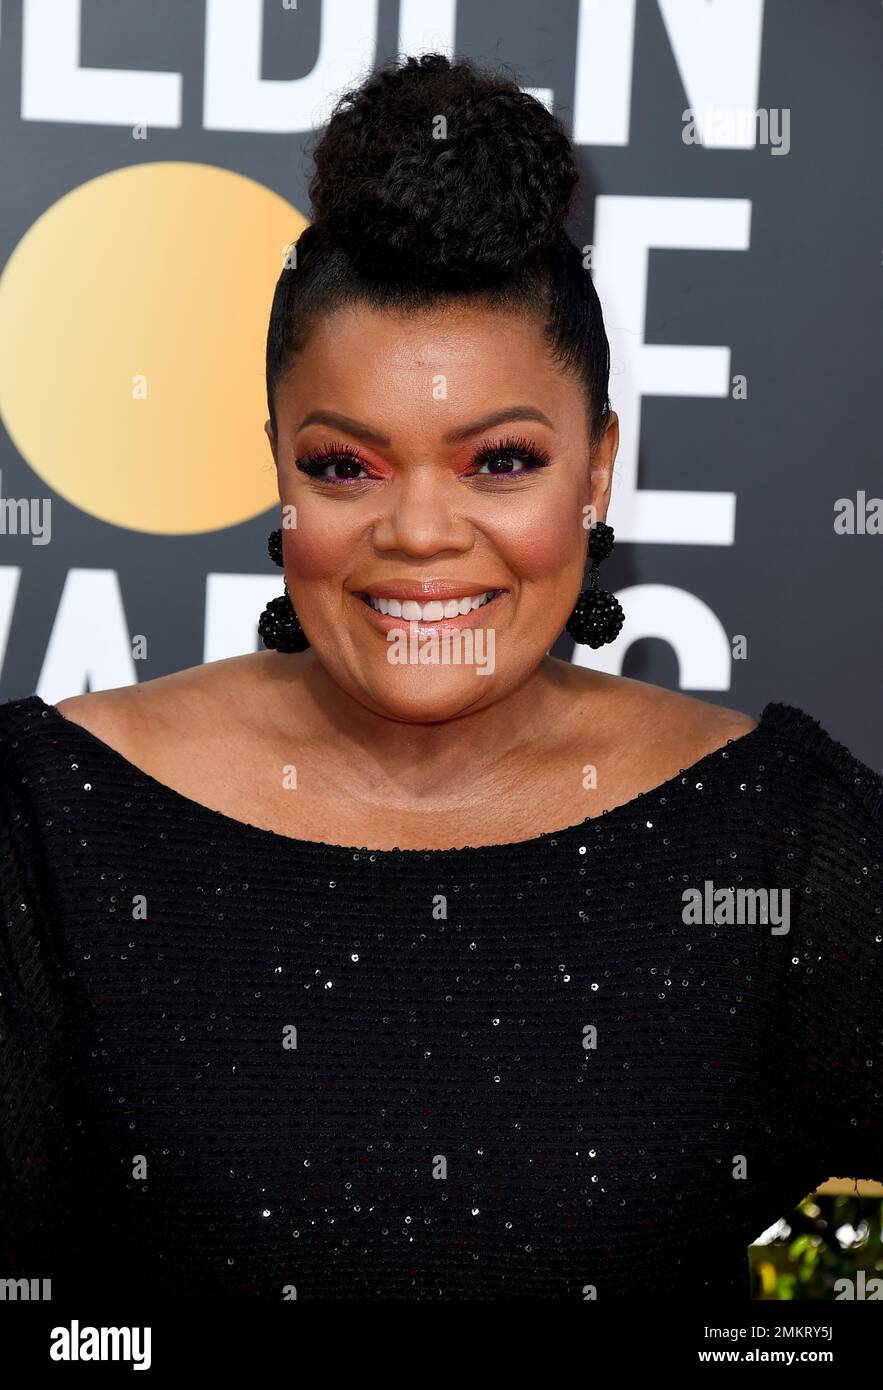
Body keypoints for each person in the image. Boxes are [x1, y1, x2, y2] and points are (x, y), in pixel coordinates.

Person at [1, 53, 880, 1300]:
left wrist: (761, 1323)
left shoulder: (786, 837)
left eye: (501, 460)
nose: (419, 533)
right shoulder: (45, 821)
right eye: (346, 467)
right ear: (277, 469)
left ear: (596, 470)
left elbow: (846, 1282)